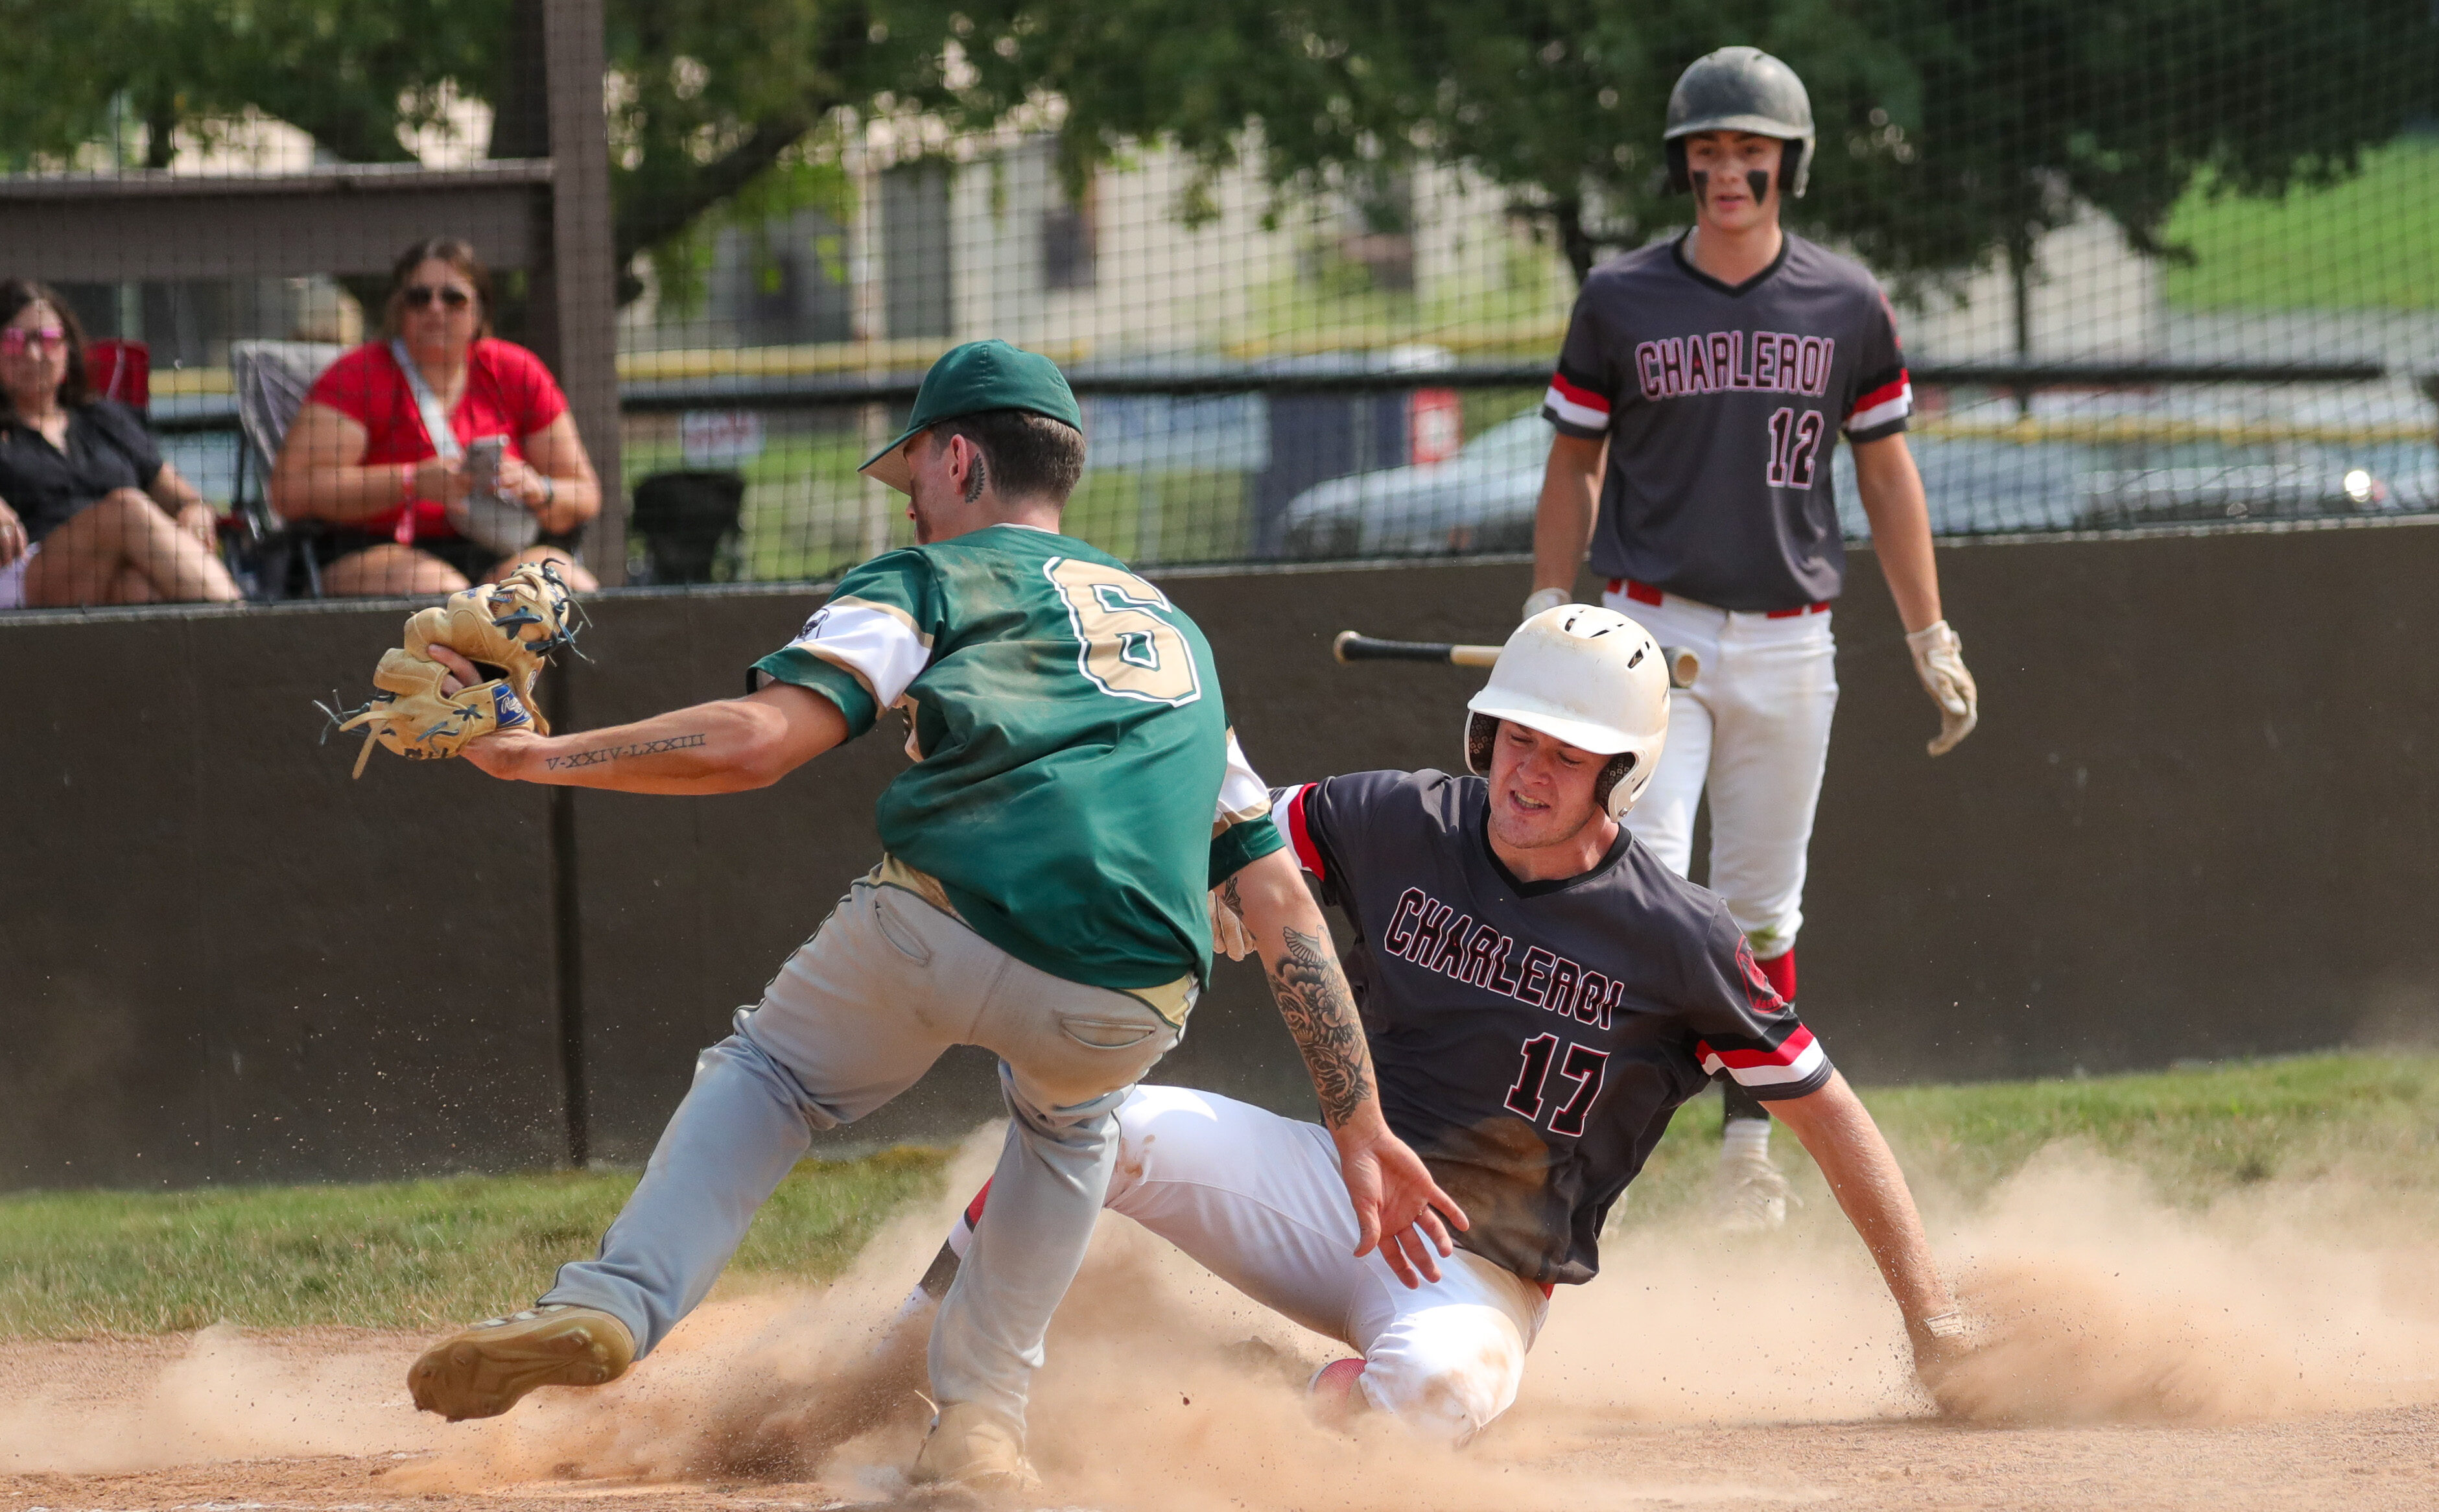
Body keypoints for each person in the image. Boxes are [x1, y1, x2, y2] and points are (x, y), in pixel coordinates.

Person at [398, 340, 1456, 1494]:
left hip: (940, 924)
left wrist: (531, 754)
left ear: (959, 458)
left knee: (775, 1073)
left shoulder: (933, 580)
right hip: (1128, 989)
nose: (909, 514)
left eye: (912, 489)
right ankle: (979, 1428)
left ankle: (611, 1305)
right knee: (1069, 1130)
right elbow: (1278, 898)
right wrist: (1358, 1127)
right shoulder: (1175, 640)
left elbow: (760, 743)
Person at [905, 605, 1970, 1446]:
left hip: (1479, 1270)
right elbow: (1219, 834)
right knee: (1110, 1123)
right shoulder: (1393, 817)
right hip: (1336, 1185)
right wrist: (1208, 890)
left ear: (1621, 774)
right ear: (1484, 731)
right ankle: (910, 1343)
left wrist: (1928, 1320)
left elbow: (1826, 1112)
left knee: (1433, 1394)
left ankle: (1272, 1403)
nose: (1528, 771)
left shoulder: (1678, 936)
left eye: (1566, 751)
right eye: (1516, 735)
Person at [1526, 47, 1980, 1228]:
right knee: (1641, 879)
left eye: (1750, 152)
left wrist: (1928, 630)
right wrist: (1546, 601)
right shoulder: (1620, 298)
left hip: (1791, 640)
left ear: (1788, 163)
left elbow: (1886, 476)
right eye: (1708, 152)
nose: (1727, 172)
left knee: (1763, 906)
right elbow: (1574, 460)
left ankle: (1746, 1153)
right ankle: (1588, 1154)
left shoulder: (1845, 302)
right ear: (1682, 164)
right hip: (1649, 631)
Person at [270, 238, 602, 597]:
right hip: (371, 551)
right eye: (419, 298)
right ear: (399, 310)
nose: (435, 309)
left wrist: (539, 489)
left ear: (479, 313)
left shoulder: (517, 371)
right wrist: (411, 481)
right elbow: (290, 492)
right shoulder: (358, 377)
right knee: (447, 595)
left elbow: (585, 494)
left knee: (564, 584)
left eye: (453, 298)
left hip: (497, 550)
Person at [0, 280, 241, 609]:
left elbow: (183, 497)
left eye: (46, 339)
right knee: (126, 508)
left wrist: (197, 511)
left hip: (111, 573)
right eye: (14, 340)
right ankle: (242, 621)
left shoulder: (106, 419)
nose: (32, 353)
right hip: (25, 572)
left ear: (68, 348)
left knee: (138, 588)